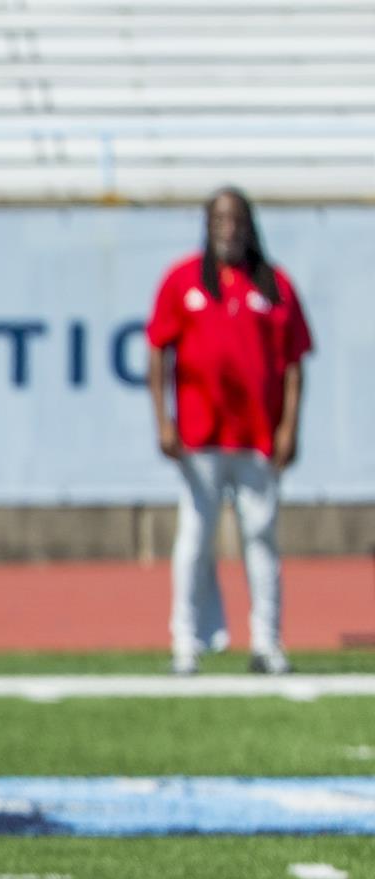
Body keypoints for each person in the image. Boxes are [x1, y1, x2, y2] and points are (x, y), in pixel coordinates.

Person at [146, 187, 313, 676]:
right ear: (207, 225)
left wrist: (289, 426)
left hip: (257, 436)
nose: (228, 228)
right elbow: (159, 350)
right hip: (201, 435)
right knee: (194, 539)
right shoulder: (183, 281)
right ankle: (185, 641)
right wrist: (163, 418)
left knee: (260, 538)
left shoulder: (273, 283)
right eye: (219, 219)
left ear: (249, 225)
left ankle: (267, 642)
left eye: (236, 219)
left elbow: (294, 365)